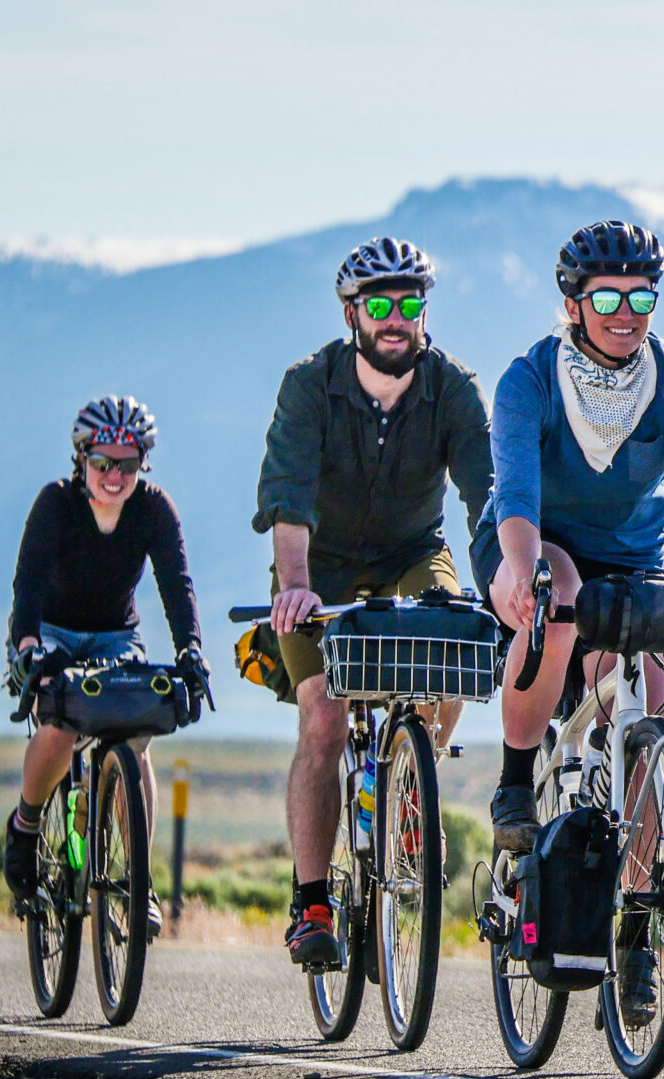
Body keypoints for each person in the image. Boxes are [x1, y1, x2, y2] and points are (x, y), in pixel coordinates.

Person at [477, 218, 664, 847]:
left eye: (641, 299)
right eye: (607, 298)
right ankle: (516, 783)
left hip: (629, 559)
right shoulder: (527, 380)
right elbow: (518, 496)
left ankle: (637, 907)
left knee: (649, 687)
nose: (625, 314)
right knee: (558, 605)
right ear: (573, 305)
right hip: (528, 542)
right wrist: (524, 572)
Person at [253, 236, 493, 966]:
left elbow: (487, 501)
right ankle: (313, 900)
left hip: (411, 555)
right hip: (318, 567)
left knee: (455, 640)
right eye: (380, 305)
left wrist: (507, 584)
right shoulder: (309, 385)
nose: (397, 319)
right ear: (351, 312)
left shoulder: (453, 388)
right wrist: (293, 586)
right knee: (324, 713)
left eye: (410, 303)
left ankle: (414, 785)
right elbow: (288, 501)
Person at [3, 396, 209, 936]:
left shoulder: (154, 509)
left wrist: (191, 651)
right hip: (49, 633)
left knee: (135, 740)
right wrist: (28, 649)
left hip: (118, 637)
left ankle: (137, 885)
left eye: (128, 463)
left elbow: (177, 587)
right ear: (81, 459)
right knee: (61, 726)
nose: (115, 476)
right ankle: (25, 826)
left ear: (143, 463)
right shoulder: (54, 503)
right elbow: (27, 585)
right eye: (102, 463)